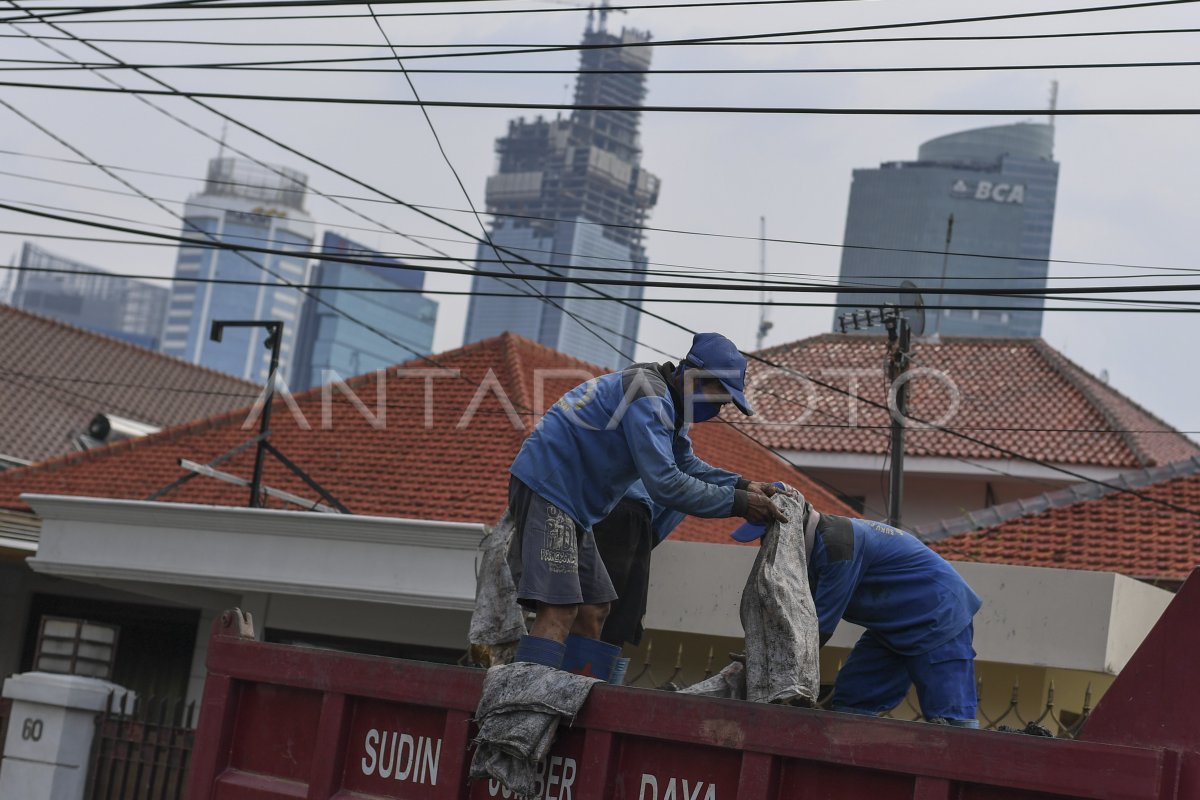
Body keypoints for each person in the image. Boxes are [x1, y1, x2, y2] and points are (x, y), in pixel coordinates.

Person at [507, 332, 789, 681]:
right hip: (549, 488)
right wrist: (740, 503)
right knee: (560, 608)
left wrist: (743, 485)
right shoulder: (648, 395)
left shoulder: (667, 401)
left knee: (594, 609)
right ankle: (527, 700)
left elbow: (685, 463)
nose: (719, 408)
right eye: (719, 396)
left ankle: (571, 696)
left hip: (573, 505)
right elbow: (665, 482)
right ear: (694, 376)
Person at [732, 505, 983, 726]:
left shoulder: (836, 546)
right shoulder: (809, 552)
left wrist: (766, 665)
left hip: (939, 614)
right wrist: (757, 654)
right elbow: (792, 616)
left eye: (767, 535)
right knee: (854, 697)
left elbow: (816, 628)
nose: (765, 544)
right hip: (892, 628)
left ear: (791, 529)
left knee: (951, 718)